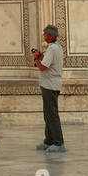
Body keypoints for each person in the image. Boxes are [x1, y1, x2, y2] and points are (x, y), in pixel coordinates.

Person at [32, 25, 65, 153]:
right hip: (49, 84)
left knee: (52, 115)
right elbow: (46, 62)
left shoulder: (52, 49)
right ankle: (49, 141)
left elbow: (42, 67)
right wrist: (40, 56)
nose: (44, 36)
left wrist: (35, 58)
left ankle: (58, 143)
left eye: (45, 34)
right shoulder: (54, 47)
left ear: (51, 35)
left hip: (50, 85)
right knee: (48, 115)